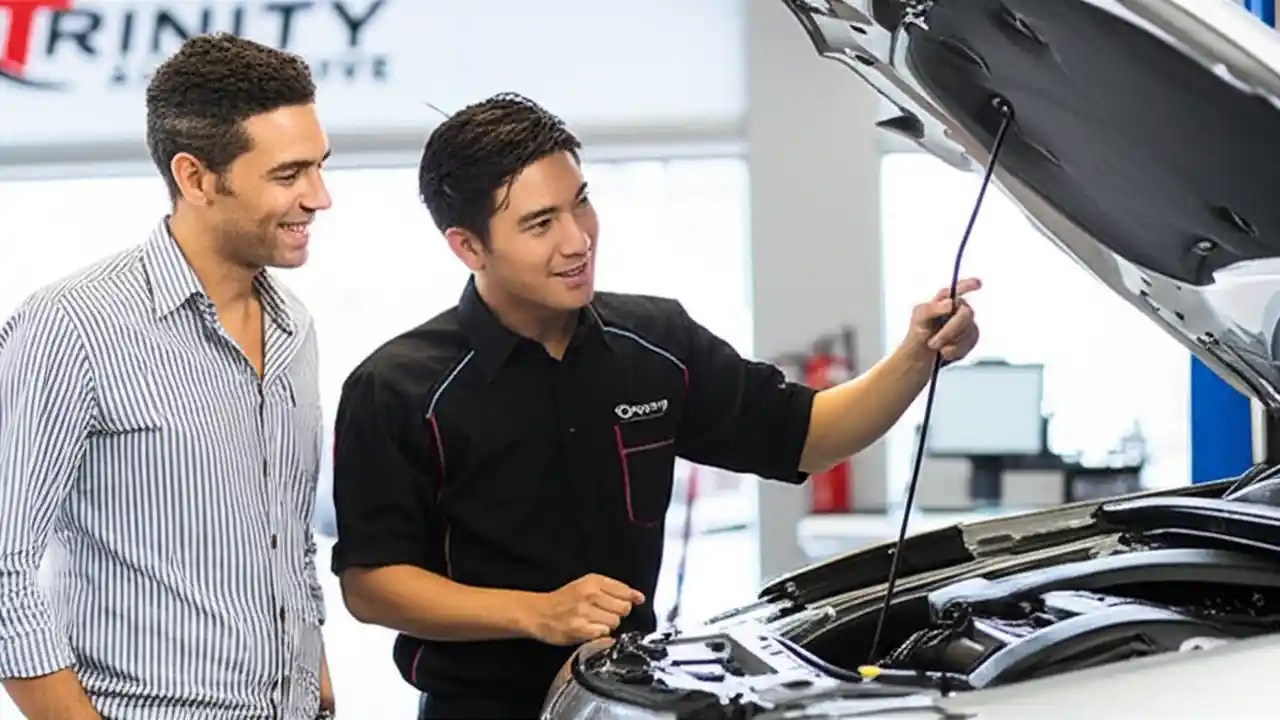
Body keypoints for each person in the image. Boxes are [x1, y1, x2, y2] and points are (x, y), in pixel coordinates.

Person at [329, 93, 981, 719]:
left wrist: (917, 355)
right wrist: (534, 612)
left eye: (579, 203)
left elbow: (809, 435)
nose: (578, 239)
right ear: (468, 246)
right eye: (540, 223)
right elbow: (372, 584)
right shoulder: (398, 388)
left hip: (626, 699)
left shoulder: (657, 344)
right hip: (476, 709)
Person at [0, 34, 336, 720]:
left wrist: (321, 692)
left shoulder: (294, 327)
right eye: (288, 175)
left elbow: (286, 536)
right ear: (196, 178)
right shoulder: (73, 326)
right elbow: (4, 571)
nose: (319, 197)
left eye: (320, 167)